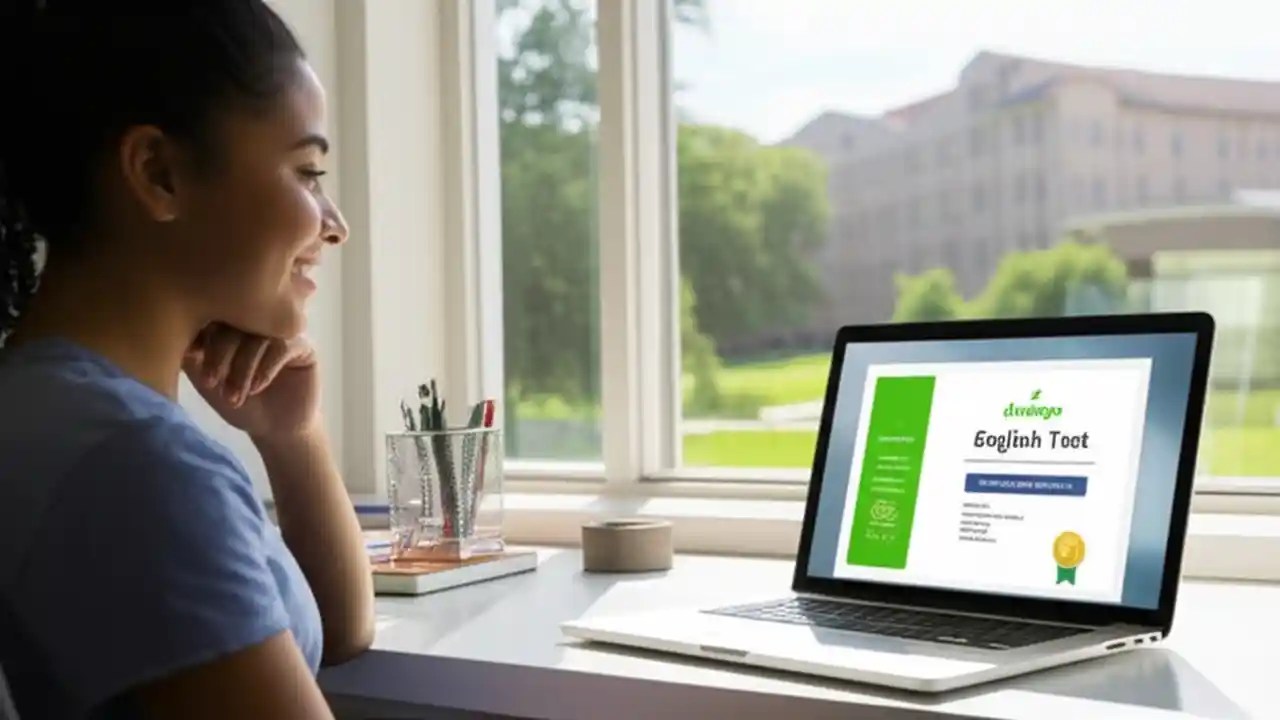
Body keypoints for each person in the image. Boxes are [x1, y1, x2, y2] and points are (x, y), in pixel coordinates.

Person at [0, 1, 374, 718]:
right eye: (307, 171)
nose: (335, 224)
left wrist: (291, 437)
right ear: (159, 173)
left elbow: (335, 629)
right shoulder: (137, 468)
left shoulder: (43, 410)